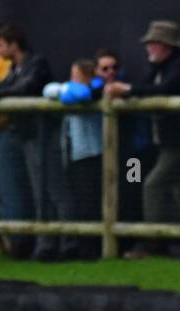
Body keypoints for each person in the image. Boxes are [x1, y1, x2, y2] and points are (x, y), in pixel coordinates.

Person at [106, 20, 180, 259]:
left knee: (153, 185)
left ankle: (152, 244)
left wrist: (127, 90)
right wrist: (127, 90)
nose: (148, 49)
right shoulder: (157, 66)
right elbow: (145, 86)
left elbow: (163, 89)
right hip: (163, 141)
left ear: (166, 46)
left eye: (153, 44)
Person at [0, 24, 60, 259]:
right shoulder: (14, 67)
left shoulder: (36, 63)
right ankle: (35, 242)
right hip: (24, 134)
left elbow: (26, 87)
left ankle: (57, 243)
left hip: (42, 134)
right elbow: (5, 85)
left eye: (2, 44)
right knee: (29, 190)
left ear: (15, 44)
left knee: (49, 191)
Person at [43, 58, 105, 256]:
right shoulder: (68, 87)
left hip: (91, 152)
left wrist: (71, 91)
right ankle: (74, 245)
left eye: (76, 74)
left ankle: (91, 249)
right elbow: (49, 90)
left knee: (90, 202)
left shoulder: (98, 86)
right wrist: (66, 90)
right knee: (73, 199)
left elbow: (85, 94)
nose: (72, 78)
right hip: (70, 152)